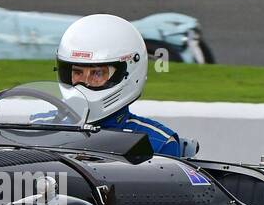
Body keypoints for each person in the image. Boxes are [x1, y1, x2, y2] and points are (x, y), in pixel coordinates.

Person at [55, 14, 192, 158]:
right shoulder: (40, 127)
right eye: (77, 72)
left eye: (97, 73)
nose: (84, 83)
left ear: (128, 72)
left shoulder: (157, 142)